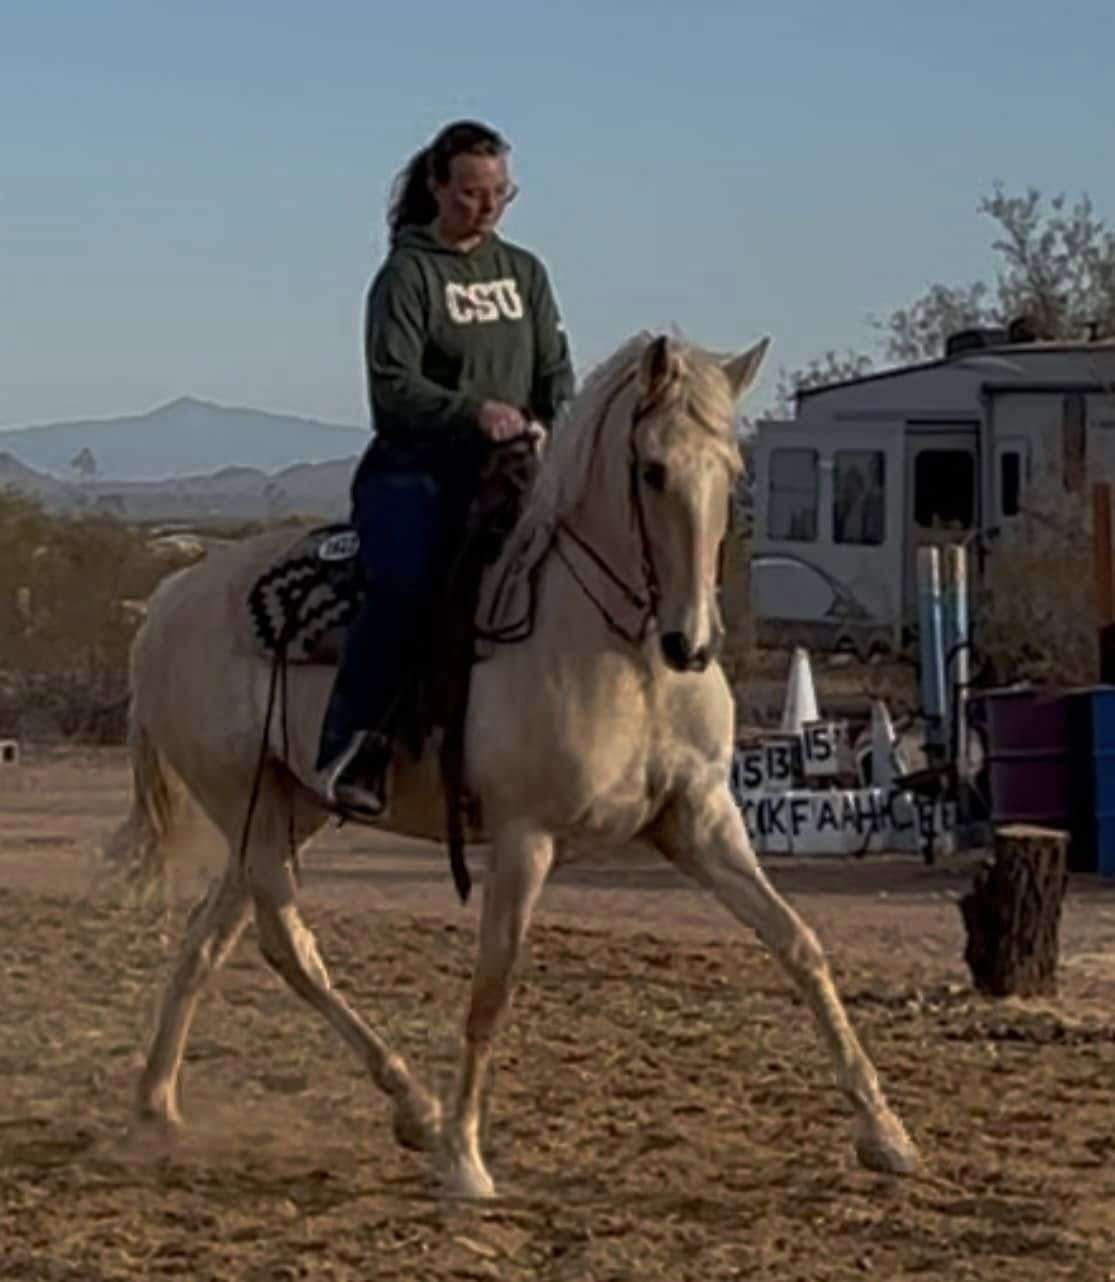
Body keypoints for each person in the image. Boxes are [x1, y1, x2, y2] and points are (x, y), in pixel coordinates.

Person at [316, 119, 575, 817]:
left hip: (515, 468)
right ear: (436, 186)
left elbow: (555, 370)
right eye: (470, 193)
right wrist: (472, 411)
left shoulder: (525, 272)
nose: (486, 207)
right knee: (404, 585)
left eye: (500, 193)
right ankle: (357, 745)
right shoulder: (407, 275)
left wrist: (553, 419)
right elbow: (392, 388)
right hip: (417, 469)